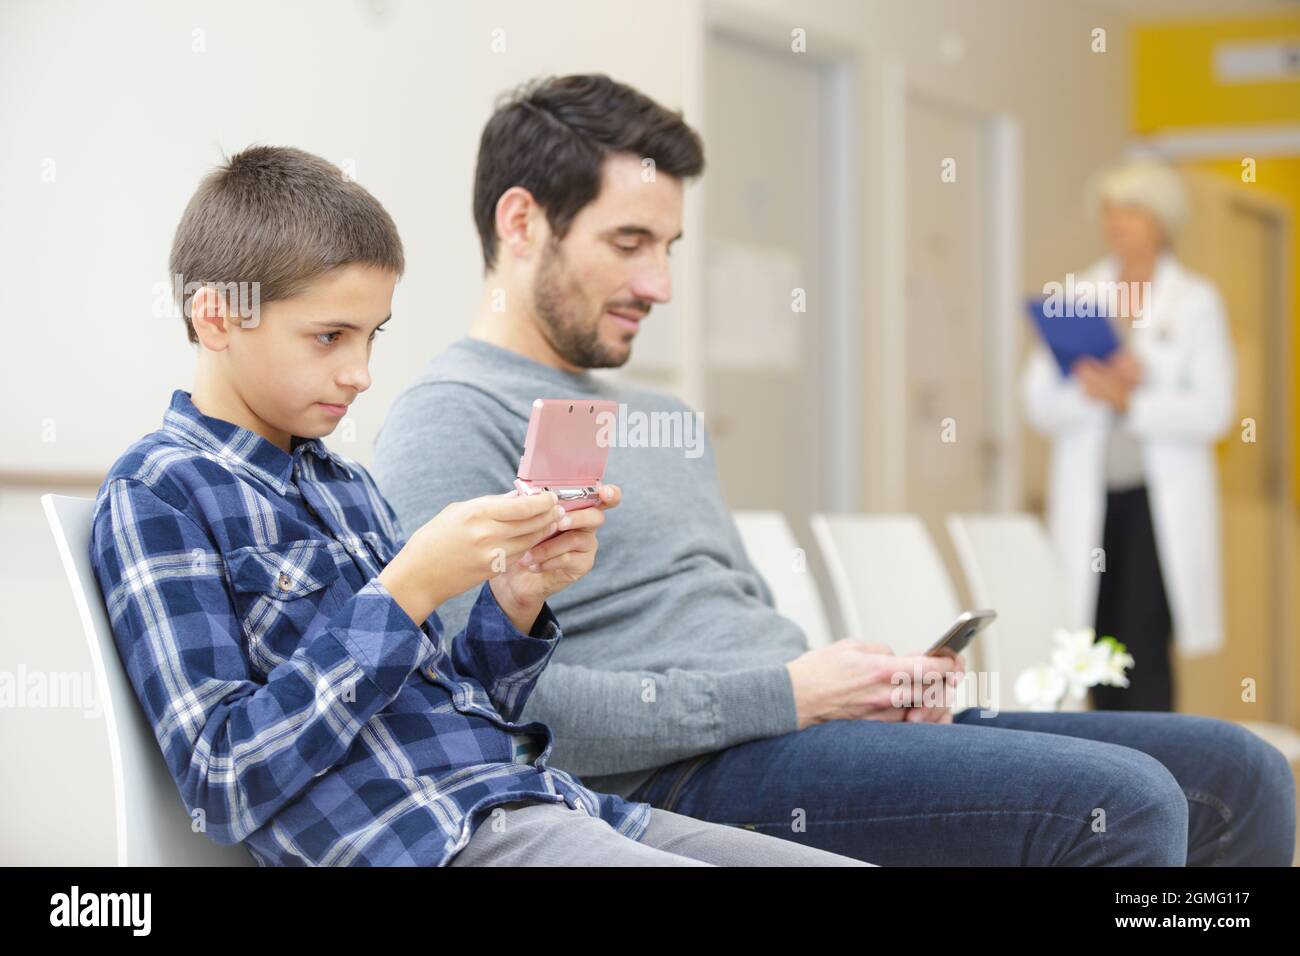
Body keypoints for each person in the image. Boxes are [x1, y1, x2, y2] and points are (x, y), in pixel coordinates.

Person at [373, 75, 1295, 866]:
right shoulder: (453, 415)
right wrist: (789, 693)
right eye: (628, 243)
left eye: (669, 248)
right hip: (677, 776)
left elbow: (735, 620)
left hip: (804, 728)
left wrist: (865, 686)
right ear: (522, 221)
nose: (659, 284)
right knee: (1128, 803)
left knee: (1240, 773)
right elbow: (478, 707)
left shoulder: (663, 416)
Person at [88, 145, 866, 867]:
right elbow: (226, 779)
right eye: (329, 337)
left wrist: (514, 603)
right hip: (433, 842)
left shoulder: (345, 486)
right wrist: (406, 590)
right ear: (217, 315)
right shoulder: (160, 492)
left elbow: (462, 709)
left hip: (544, 802)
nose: (360, 372)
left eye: (372, 336)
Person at [1021, 159, 1236, 711]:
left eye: (1132, 211)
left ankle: (1161, 784)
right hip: (1094, 501)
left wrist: (1132, 401)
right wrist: (1092, 391)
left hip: (1156, 506)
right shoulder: (1079, 292)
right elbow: (1039, 401)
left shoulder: (1194, 300)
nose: (1118, 223)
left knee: (1144, 645)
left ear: (1162, 222)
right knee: (1093, 644)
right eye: (1111, 211)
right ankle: (1111, 786)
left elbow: (1214, 410)